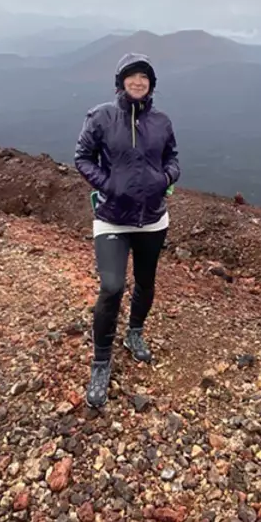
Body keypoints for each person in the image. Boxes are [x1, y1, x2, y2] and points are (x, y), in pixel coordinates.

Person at [73, 52, 180, 408]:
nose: (138, 82)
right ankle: (101, 362)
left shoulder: (162, 122)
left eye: (144, 78)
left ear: (151, 85)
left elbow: (173, 158)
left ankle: (135, 334)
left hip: (152, 218)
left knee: (146, 283)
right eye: (132, 77)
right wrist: (108, 184)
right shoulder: (101, 117)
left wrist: (166, 177)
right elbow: (82, 156)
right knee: (112, 286)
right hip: (112, 217)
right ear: (121, 82)